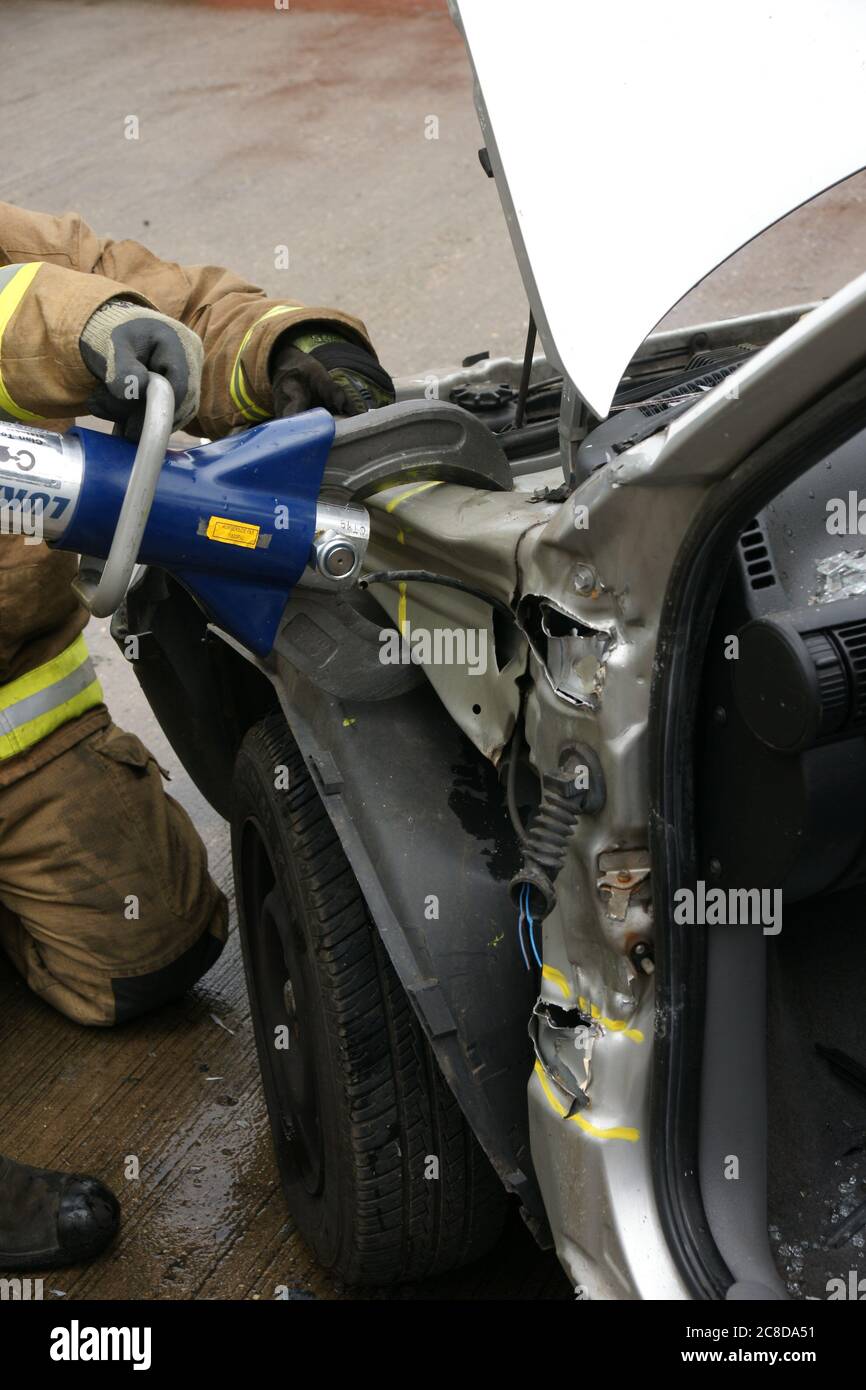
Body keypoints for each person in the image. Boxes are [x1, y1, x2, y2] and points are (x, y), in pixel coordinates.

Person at [0, 202, 394, 1270]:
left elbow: (154, 297)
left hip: (14, 734)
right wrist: (74, 329)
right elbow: (30, 315)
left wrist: (286, 347)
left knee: (152, 952)